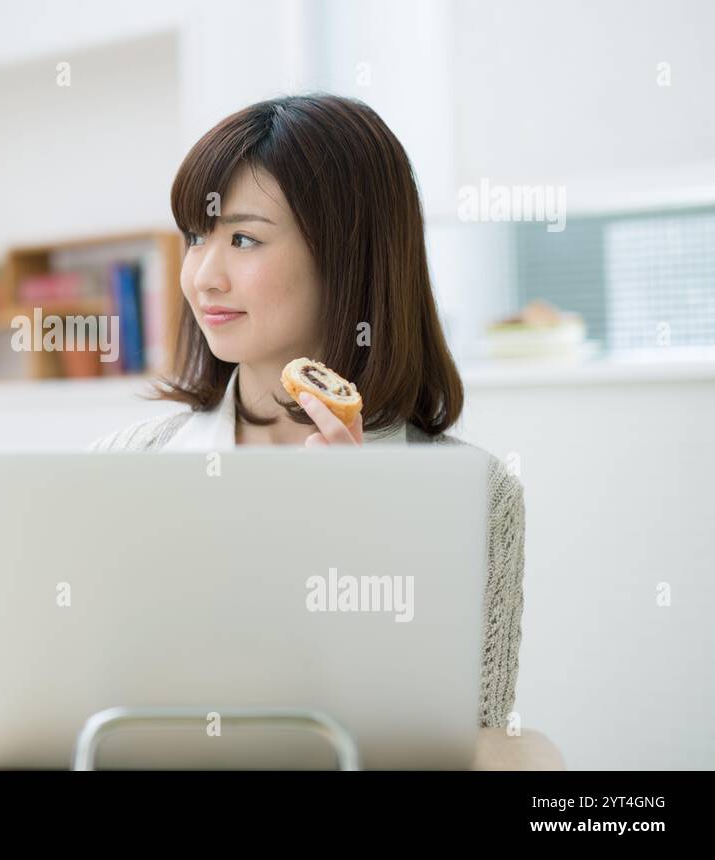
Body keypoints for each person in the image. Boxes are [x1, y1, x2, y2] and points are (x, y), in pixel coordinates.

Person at [89, 94, 524, 729]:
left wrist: (356, 536)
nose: (203, 277)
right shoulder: (121, 466)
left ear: (348, 252)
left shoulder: (479, 497)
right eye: (195, 237)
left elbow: (476, 738)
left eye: (242, 238)